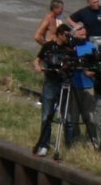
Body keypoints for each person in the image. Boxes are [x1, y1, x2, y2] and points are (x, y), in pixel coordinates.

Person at [33, 24, 92, 157]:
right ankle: (44, 145)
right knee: (46, 116)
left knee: (68, 116)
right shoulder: (49, 46)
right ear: (59, 34)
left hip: (66, 83)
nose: (68, 38)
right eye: (66, 35)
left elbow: (77, 64)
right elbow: (37, 60)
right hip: (51, 83)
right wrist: (38, 66)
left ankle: (69, 144)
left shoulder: (71, 48)